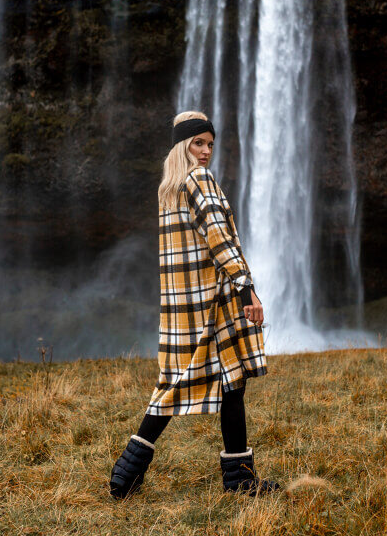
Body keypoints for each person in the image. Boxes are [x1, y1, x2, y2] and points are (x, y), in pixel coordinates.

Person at [109, 110, 281, 499]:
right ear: (182, 145)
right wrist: (246, 288)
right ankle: (235, 479)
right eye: (198, 143)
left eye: (210, 145)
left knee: (204, 383)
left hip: (181, 308)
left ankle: (130, 475)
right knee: (213, 384)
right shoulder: (199, 180)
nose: (205, 152)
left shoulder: (168, 189)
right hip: (211, 303)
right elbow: (219, 239)